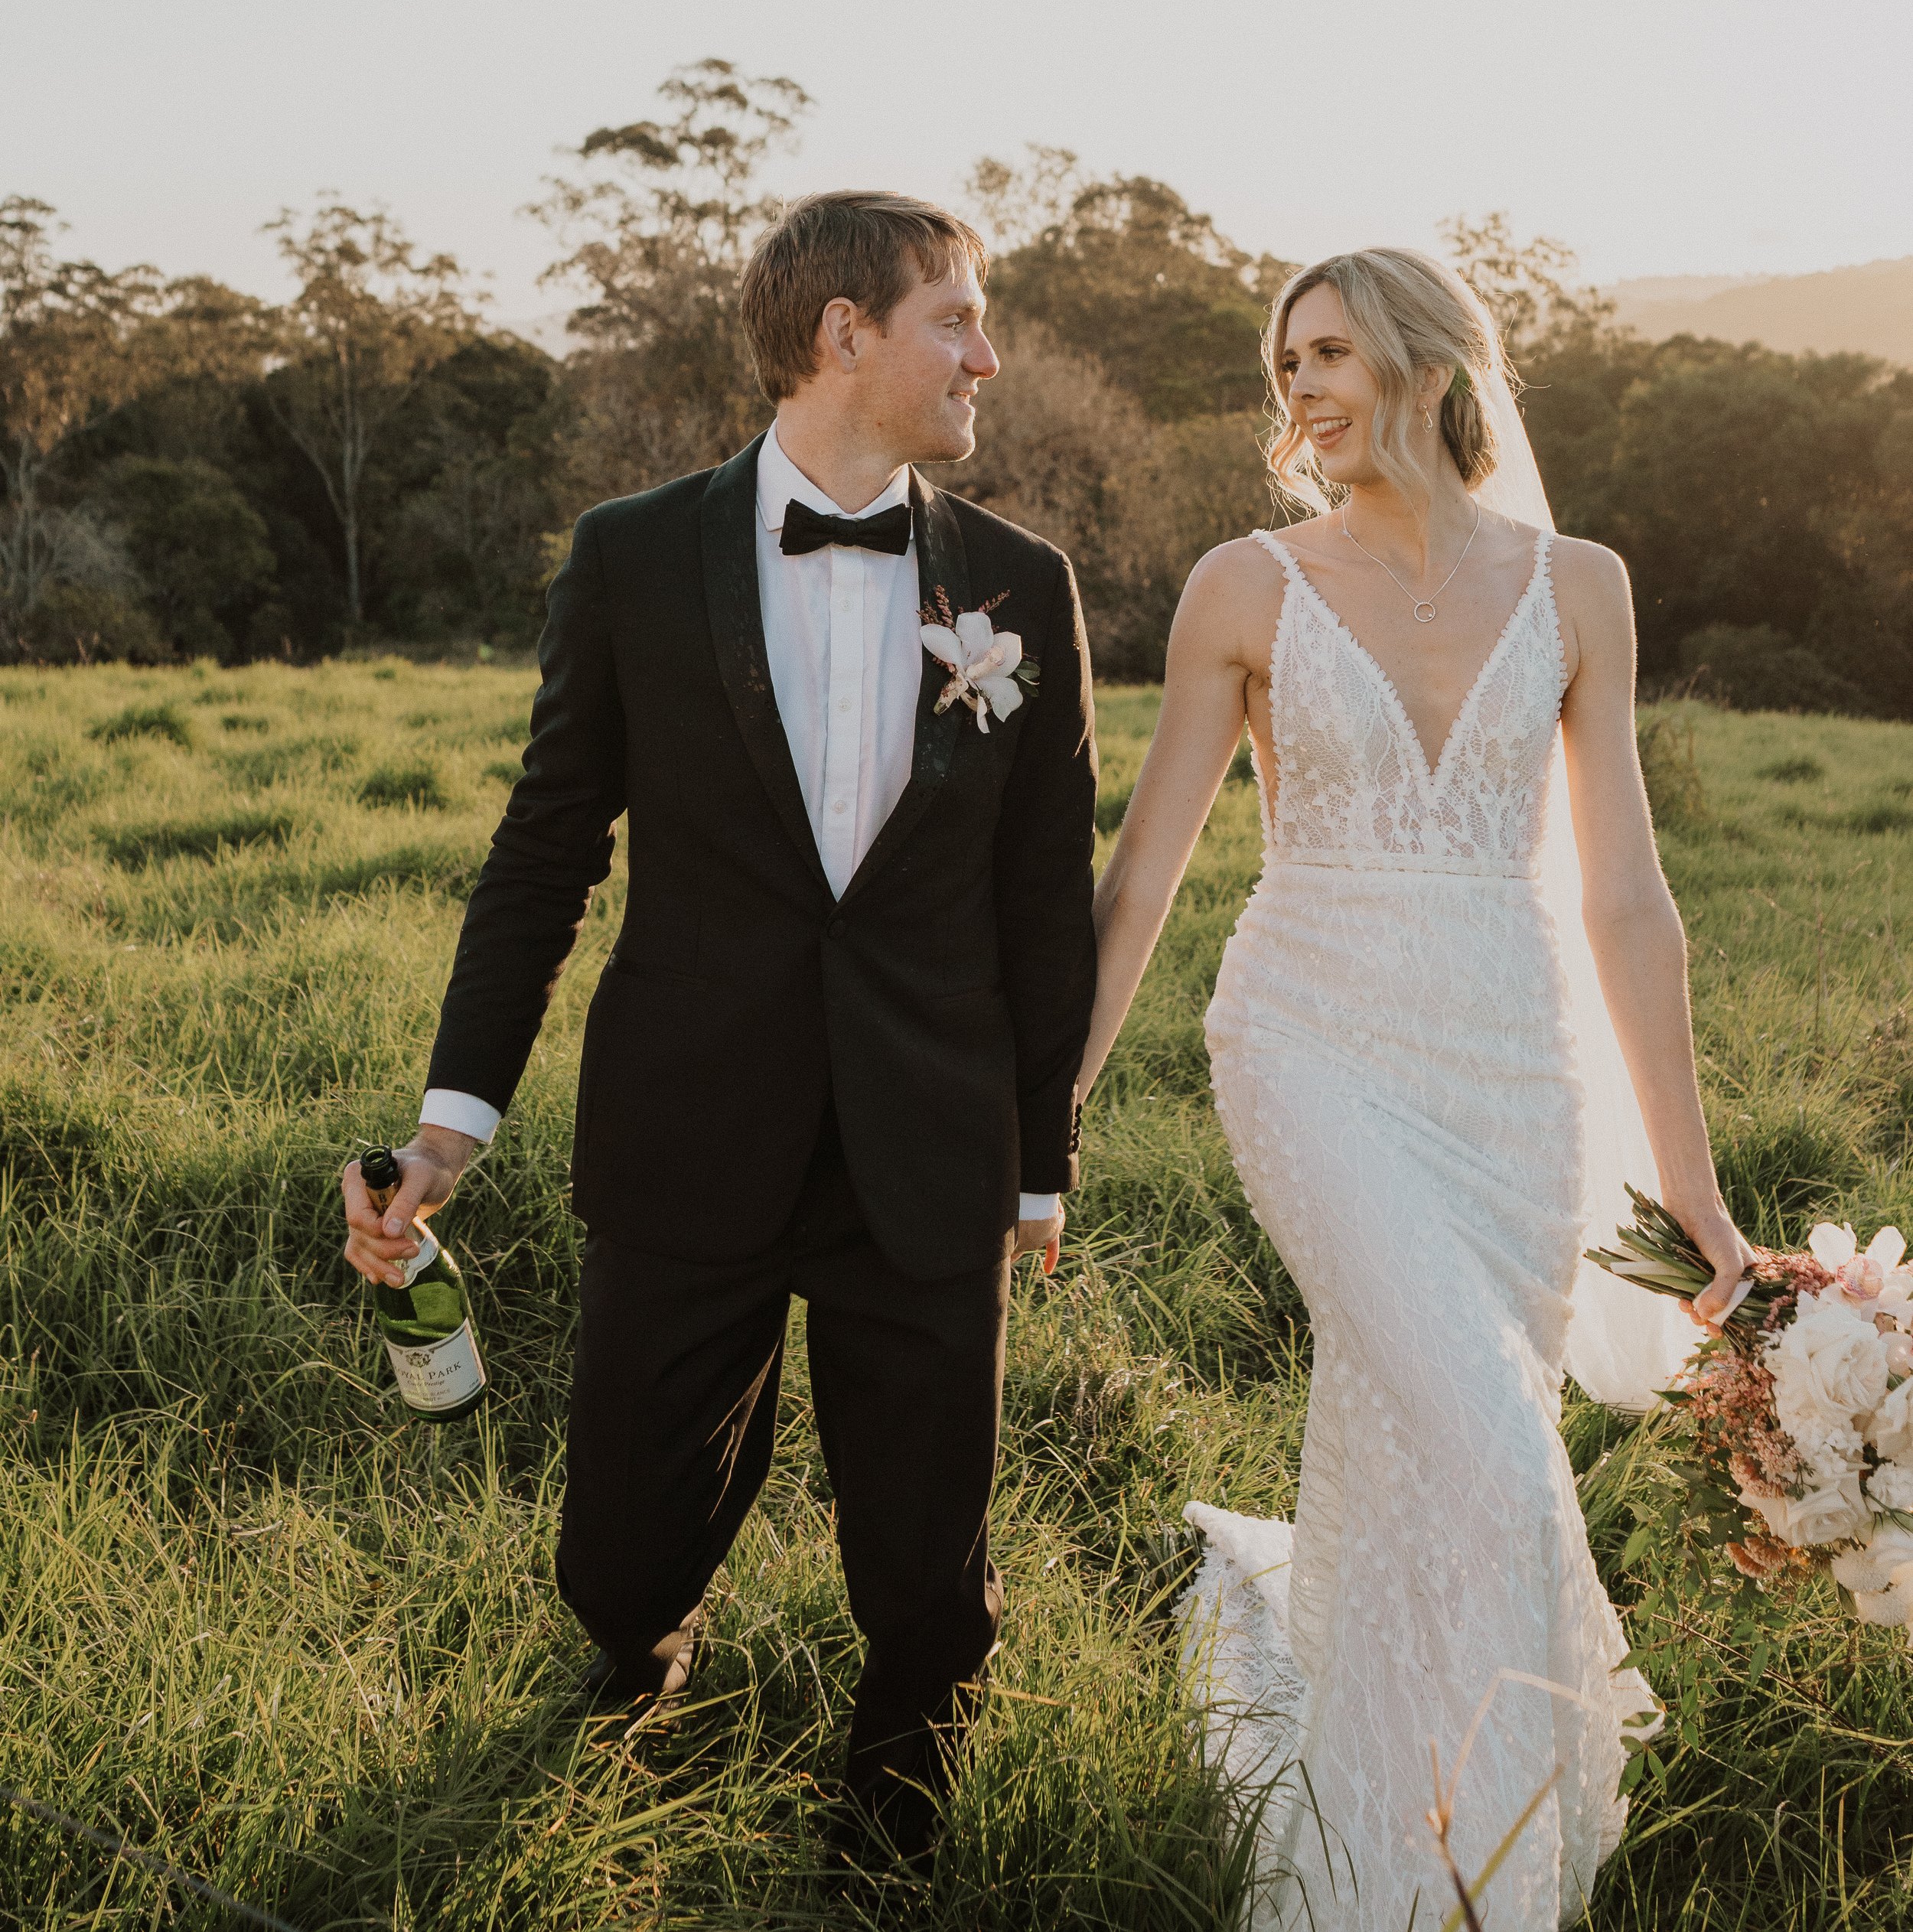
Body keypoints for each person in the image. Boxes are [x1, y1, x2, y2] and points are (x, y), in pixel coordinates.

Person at [340, 189, 1098, 1865]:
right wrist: (454, 1117)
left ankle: (893, 1816)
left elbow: (1049, 904)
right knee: (619, 1534)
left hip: (926, 1135)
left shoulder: (1023, 585)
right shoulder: (632, 553)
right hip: (690, 1120)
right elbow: (545, 846)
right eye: (956, 317)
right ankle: (635, 1678)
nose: (988, 351)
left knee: (923, 1560)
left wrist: (1035, 1160)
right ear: (844, 333)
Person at [1084, 246, 1755, 1927]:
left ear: (1430, 363)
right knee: (1479, 1445)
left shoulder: (1578, 581)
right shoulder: (1240, 586)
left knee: (1424, 1440)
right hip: (1306, 1042)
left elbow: (1621, 898)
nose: (1294, 387)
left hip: (1509, 1078)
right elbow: (1144, 875)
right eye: (1280, 360)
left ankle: (1441, 1808)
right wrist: (1049, 1110)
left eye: (1325, 351)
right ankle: (1408, 1879)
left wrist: (1697, 1189)